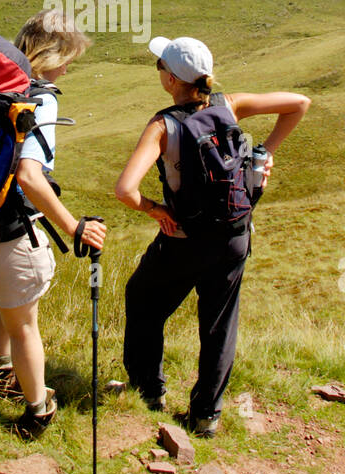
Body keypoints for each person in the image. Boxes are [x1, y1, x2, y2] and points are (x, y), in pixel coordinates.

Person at [115, 35, 310, 438]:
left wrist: (155, 209)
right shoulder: (229, 104)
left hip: (185, 238)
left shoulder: (163, 125)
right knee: (219, 325)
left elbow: (125, 191)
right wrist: (267, 149)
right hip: (235, 235)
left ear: (171, 80)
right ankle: (206, 416)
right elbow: (299, 103)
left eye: (160, 68)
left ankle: (148, 392)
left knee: (143, 300)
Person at [0, 10, 106, 439]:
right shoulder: (40, 97)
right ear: (51, 54)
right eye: (67, 59)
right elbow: (28, 175)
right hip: (8, 228)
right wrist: (74, 226)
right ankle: (37, 410)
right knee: (25, 323)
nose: (67, 69)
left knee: (3, 296)